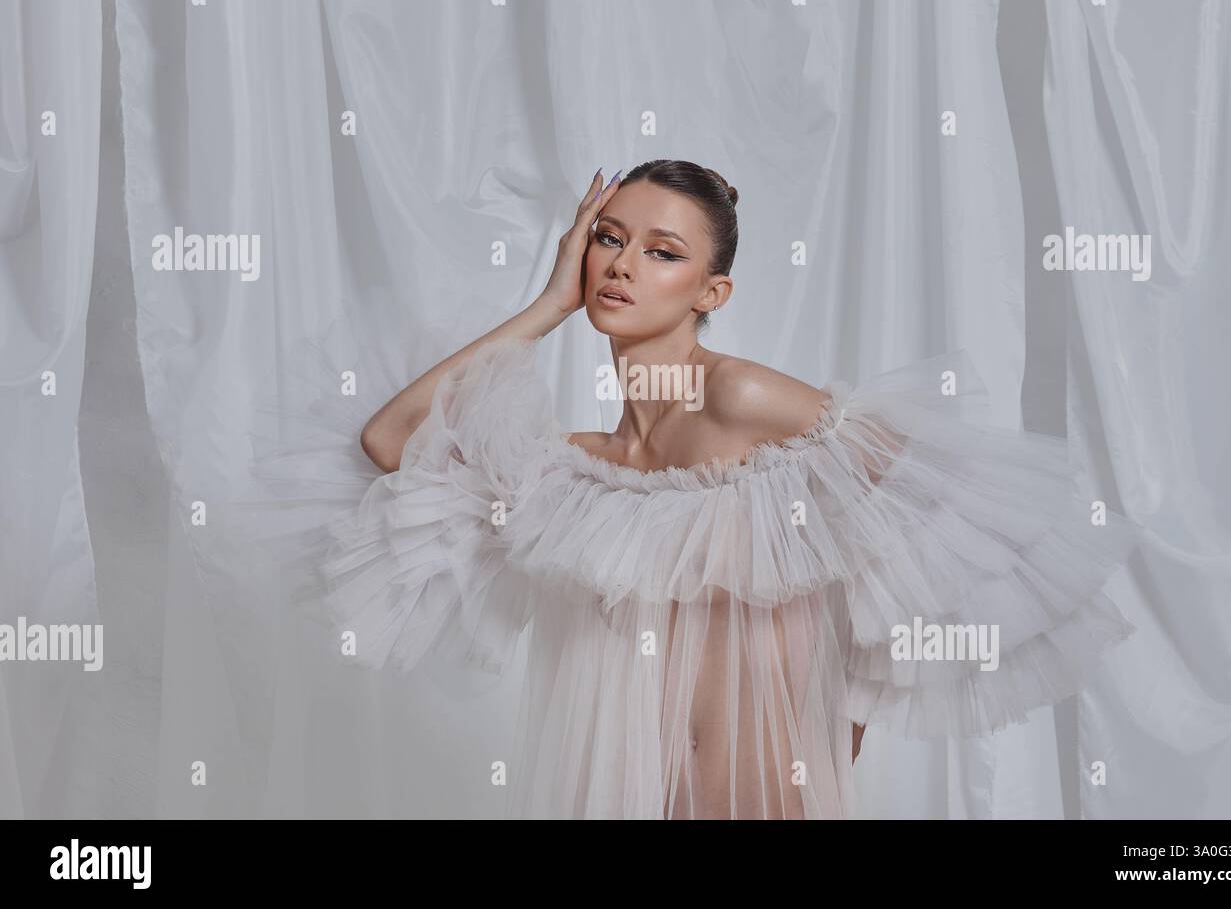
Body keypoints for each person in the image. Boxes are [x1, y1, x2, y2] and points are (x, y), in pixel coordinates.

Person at [310, 159, 1142, 819]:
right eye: (608, 238)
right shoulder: (573, 470)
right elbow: (390, 442)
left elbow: (940, 506)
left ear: (712, 294)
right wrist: (548, 304)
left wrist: (847, 702)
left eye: (664, 252)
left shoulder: (743, 402)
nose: (624, 265)